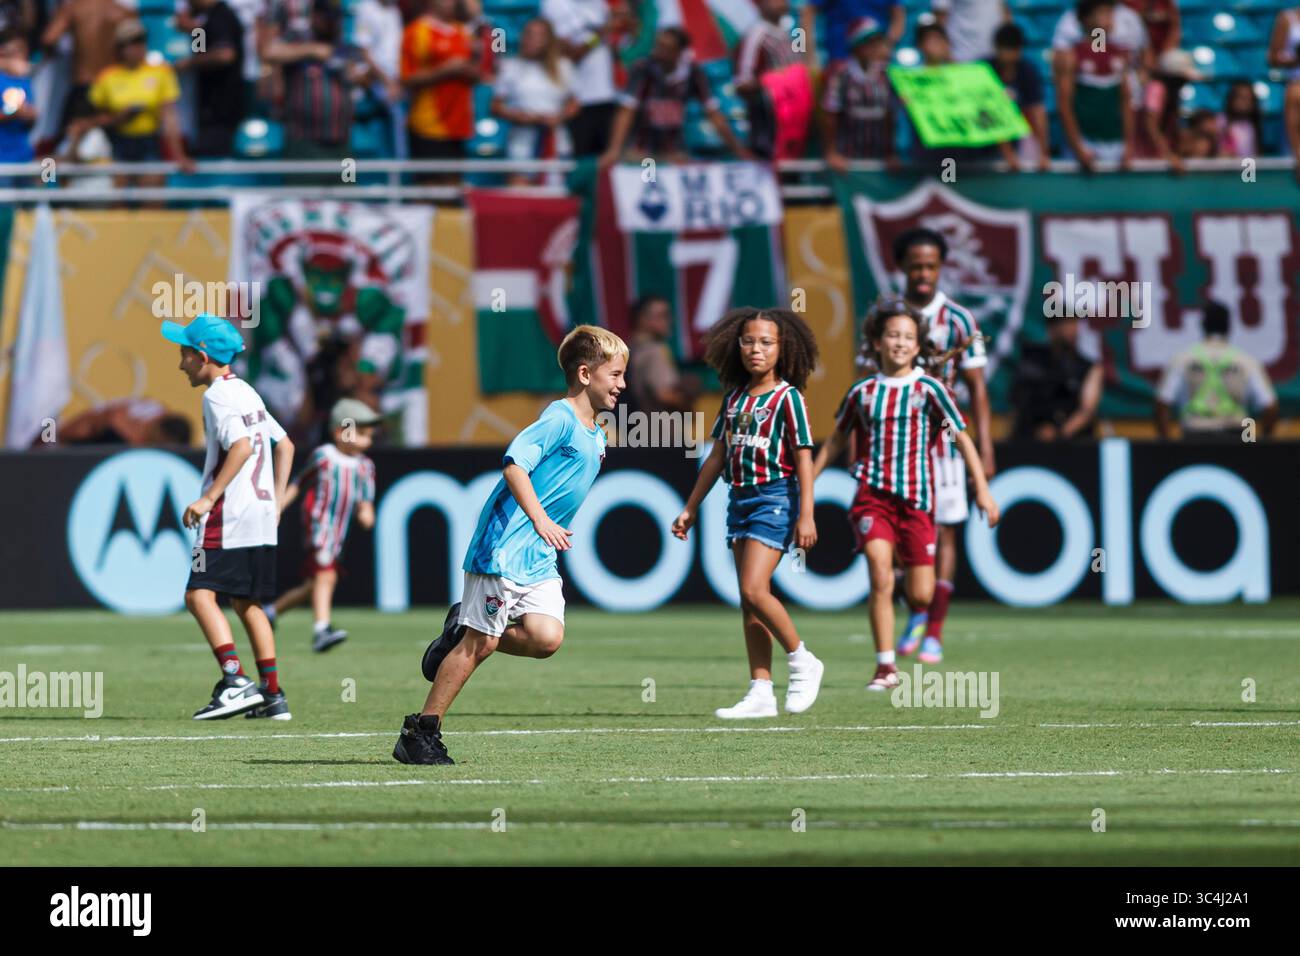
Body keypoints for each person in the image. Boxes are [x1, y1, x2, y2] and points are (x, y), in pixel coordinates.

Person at [396, 326, 628, 765]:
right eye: (615, 374)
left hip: (537, 557)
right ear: (584, 374)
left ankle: (460, 626)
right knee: (480, 645)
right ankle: (419, 733)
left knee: (545, 639)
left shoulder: (596, 434)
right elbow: (514, 466)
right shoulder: (558, 419)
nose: (622, 385)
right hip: (503, 548)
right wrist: (540, 520)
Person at [813, 298, 998, 690]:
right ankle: (885, 667)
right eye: (892, 335)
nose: (899, 343)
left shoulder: (930, 389)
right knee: (879, 575)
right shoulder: (862, 392)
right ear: (877, 343)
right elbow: (835, 441)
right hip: (872, 497)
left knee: (921, 593)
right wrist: (808, 489)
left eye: (908, 337)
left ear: (918, 346)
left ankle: (915, 608)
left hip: (917, 501)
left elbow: (962, 439)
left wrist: (982, 488)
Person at [671, 308, 825, 720]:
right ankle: (760, 690)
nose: (756, 349)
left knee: (756, 589)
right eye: (748, 341)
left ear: (782, 348)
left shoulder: (788, 398)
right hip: (739, 499)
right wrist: (690, 508)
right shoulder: (735, 398)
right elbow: (717, 455)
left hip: (775, 498)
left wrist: (806, 514)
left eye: (766, 342)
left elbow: (803, 457)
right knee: (748, 600)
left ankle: (802, 660)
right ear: (736, 346)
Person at [160, 313, 295, 721]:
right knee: (247, 602)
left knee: (198, 594)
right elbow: (284, 445)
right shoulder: (248, 392)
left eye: (184, 353)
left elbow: (239, 447)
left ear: (202, 356)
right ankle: (272, 695)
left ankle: (235, 681)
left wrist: (208, 499)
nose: (180, 362)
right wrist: (276, 502)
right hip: (258, 515)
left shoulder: (217, 396)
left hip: (229, 514)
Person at [892, 226, 994, 664]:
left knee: (946, 532)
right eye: (916, 266)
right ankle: (916, 606)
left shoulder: (961, 321)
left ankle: (933, 628)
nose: (923, 274)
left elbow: (978, 389)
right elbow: (866, 382)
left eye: (931, 266)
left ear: (941, 268)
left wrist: (986, 449)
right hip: (895, 444)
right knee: (901, 536)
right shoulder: (886, 319)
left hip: (946, 445)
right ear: (902, 267)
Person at [265, 398, 378, 652]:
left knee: (316, 583)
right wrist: (277, 506)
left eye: (369, 435)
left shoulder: (365, 466)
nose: (366, 440)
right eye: (360, 433)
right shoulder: (324, 457)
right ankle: (321, 629)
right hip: (319, 526)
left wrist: (366, 513)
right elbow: (298, 483)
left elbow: (365, 499)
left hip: (339, 533)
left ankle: (271, 611)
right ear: (340, 431)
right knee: (326, 574)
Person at [601, 26, 752, 166]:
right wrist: (614, 150)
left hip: (674, 153)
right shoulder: (643, 69)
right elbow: (626, 111)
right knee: (649, 184)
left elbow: (713, 114)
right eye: (658, 46)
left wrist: (736, 148)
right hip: (642, 153)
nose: (658, 52)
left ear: (679, 52)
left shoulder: (693, 73)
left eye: (666, 48)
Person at [71, 19, 195, 185]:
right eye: (130, 43)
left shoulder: (161, 72)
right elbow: (92, 119)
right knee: (118, 201)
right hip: (118, 142)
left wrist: (178, 155)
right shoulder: (108, 77)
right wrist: (120, 117)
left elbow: (169, 117)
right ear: (120, 48)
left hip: (149, 142)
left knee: (151, 197)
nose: (137, 48)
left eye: (140, 41)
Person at [264, 0, 378, 162]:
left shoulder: (346, 48)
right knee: (304, 187)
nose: (332, 23)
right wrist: (312, 50)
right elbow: (269, 53)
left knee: (348, 183)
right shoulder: (298, 39)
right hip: (303, 143)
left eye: (336, 19)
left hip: (342, 144)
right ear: (314, 17)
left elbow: (366, 78)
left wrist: (360, 74)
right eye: (327, 18)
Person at [1155, 301, 1279, 441]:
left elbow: (1162, 404)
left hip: (1195, 435)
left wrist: (1167, 445)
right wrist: (1265, 441)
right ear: (1229, 327)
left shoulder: (1182, 359)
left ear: (1203, 325)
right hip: (1238, 436)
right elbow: (1270, 406)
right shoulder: (1246, 361)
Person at [490, 16, 577, 184]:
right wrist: (519, 116)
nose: (532, 40)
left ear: (548, 40)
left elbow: (574, 103)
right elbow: (495, 106)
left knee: (554, 194)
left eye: (539, 35)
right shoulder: (511, 66)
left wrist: (559, 117)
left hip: (555, 143)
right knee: (520, 195)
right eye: (529, 34)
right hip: (521, 143)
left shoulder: (564, 67)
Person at [1055, 0, 1135, 172]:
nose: (1109, 19)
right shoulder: (1072, 57)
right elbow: (1064, 105)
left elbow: (1126, 103)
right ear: (1086, 19)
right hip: (1084, 145)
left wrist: (1129, 145)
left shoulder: (1119, 55)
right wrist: (1078, 147)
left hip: (1115, 144)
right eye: (1103, 13)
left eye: (1110, 13)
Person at [401, 0, 479, 173]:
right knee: (430, 190)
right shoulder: (416, 31)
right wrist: (445, 70)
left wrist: (470, 71)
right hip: (429, 124)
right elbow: (407, 79)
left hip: (459, 125)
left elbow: (479, 75)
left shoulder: (463, 31)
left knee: (454, 189)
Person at [40, 0, 131, 141]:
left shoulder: (74, 8)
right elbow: (135, 49)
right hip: (114, 86)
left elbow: (49, 39)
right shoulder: (122, 11)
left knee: (70, 145)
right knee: (118, 146)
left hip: (84, 83)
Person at [1010, 313, 1104, 441]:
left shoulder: (1089, 368)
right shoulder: (1031, 360)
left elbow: (1086, 410)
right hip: (1029, 439)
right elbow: (1018, 402)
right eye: (1066, 323)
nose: (1072, 329)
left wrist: (1059, 433)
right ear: (1051, 329)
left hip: (1074, 444)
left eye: (1074, 323)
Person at [542, 0, 618, 156]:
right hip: (578, 100)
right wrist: (600, 35)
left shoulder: (598, 4)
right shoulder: (554, 4)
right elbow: (569, 53)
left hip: (606, 95)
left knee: (604, 163)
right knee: (580, 162)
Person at [822, 17, 898, 172]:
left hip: (878, 159)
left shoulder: (887, 75)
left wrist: (890, 153)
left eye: (878, 42)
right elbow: (830, 117)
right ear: (857, 47)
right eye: (870, 43)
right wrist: (832, 152)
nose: (876, 48)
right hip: (847, 160)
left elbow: (890, 116)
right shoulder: (840, 76)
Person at [173, 0, 246, 158]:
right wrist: (193, 30)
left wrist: (187, 64)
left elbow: (225, 55)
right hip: (206, 108)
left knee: (215, 158)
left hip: (221, 109)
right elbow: (201, 50)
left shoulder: (221, 15)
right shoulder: (207, 18)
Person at [733, 0, 801, 159]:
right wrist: (774, 81)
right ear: (761, 4)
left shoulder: (793, 32)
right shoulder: (756, 34)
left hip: (794, 114)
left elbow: (800, 66)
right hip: (768, 117)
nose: (781, 4)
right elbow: (743, 83)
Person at [987, 21, 1050, 171]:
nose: (1009, 55)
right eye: (1006, 49)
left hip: (1021, 138)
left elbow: (1037, 111)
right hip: (989, 139)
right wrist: (1007, 152)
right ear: (997, 48)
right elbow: (988, 112)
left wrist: (1043, 151)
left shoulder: (1027, 71)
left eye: (1013, 49)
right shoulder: (984, 71)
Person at [625, 294, 701, 415]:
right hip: (660, 429)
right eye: (662, 315)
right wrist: (686, 402)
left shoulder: (630, 348)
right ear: (642, 319)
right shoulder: (654, 351)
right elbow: (664, 395)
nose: (668, 321)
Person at [1138, 47, 1201, 173]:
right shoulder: (1156, 89)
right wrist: (1169, 156)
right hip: (1144, 158)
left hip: (1157, 157)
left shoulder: (1172, 93)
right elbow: (1150, 124)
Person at [802, 0, 903, 67]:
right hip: (840, 59)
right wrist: (810, 58)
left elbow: (898, 16)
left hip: (878, 62)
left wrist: (886, 46)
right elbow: (808, 11)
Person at [0, 30, 36, 176]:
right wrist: (13, 113)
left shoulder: (25, 82)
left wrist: (30, 116)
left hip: (23, 156)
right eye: (17, 51)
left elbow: (31, 121)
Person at [931, 0, 1007, 63]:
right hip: (962, 56)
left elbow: (1003, 9)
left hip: (995, 56)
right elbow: (939, 17)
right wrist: (947, 55)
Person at [1216, 81, 1261, 159]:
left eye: (1249, 99)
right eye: (1241, 98)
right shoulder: (1220, 121)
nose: (1245, 103)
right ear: (1232, 99)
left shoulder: (1254, 126)